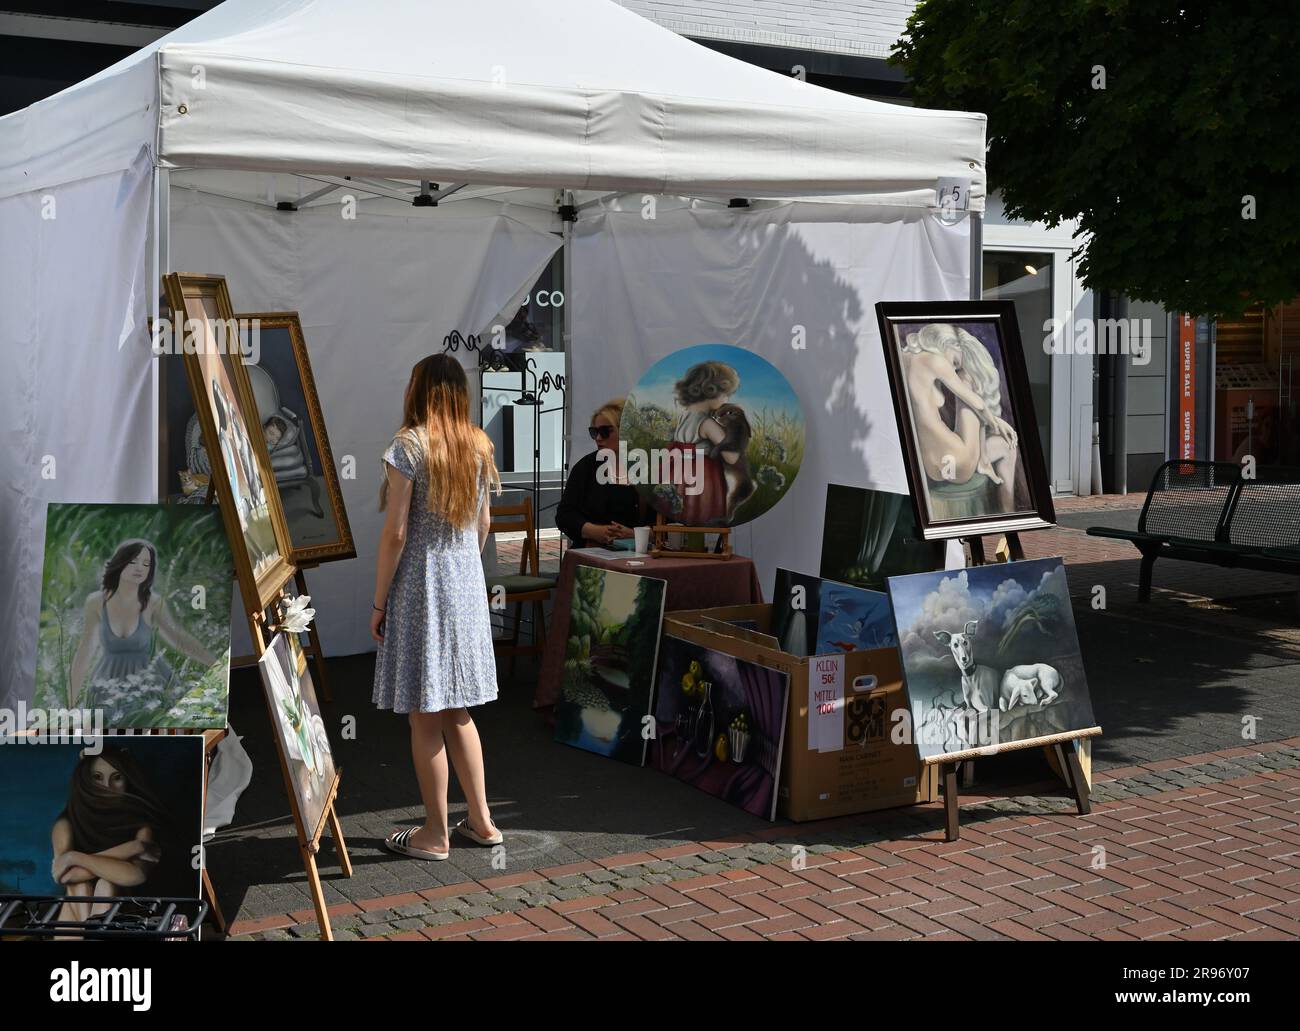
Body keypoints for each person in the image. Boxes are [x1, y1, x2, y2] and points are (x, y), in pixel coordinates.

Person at [371, 354, 504, 862]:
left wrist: (378, 602)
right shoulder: (478, 444)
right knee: (458, 711)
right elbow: (485, 524)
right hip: (465, 583)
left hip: (423, 586)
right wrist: (464, 566)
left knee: (425, 714)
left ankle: (435, 833)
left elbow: (396, 534)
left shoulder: (407, 445)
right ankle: (483, 821)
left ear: (420, 389)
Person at [68, 539, 219, 709]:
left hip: (150, 682)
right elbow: (85, 650)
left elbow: (178, 638)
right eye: (133, 561)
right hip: (106, 685)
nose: (140, 568)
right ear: (120, 562)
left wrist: (216, 665)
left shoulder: (153, 602)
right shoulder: (95, 602)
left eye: (146, 564)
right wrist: (70, 700)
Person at [52, 747, 172, 923]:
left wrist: (74, 858)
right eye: (97, 777)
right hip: (74, 921)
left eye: (117, 777)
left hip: (122, 915)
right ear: (85, 780)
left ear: (127, 781)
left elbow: (136, 874)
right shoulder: (66, 824)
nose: (107, 787)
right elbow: (67, 876)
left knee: (107, 884)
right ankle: (92, 933)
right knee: (79, 886)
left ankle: (93, 933)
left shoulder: (141, 826)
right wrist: (133, 847)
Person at [555, 398, 649, 547]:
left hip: (640, 558)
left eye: (605, 432)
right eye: (594, 432)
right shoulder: (586, 467)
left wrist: (634, 535)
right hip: (592, 556)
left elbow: (667, 523)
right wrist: (594, 531)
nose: (598, 438)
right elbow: (564, 515)